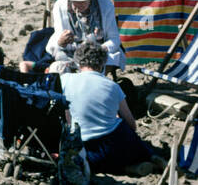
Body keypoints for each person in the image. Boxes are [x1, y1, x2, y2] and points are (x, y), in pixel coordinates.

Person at [61, 40, 161, 177]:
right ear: (103, 63)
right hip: (115, 145)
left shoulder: (65, 80)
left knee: (87, 161)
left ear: (78, 63)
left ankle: (125, 170)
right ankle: (149, 156)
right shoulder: (113, 86)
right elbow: (132, 124)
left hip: (86, 149)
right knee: (125, 131)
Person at [47, 0, 124, 71]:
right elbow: (58, 41)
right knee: (57, 68)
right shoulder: (60, 6)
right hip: (71, 53)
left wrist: (96, 51)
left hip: (99, 51)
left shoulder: (105, 5)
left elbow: (114, 39)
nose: (79, 4)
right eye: (75, 0)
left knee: (96, 66)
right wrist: (61, 42)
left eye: (83, 0)